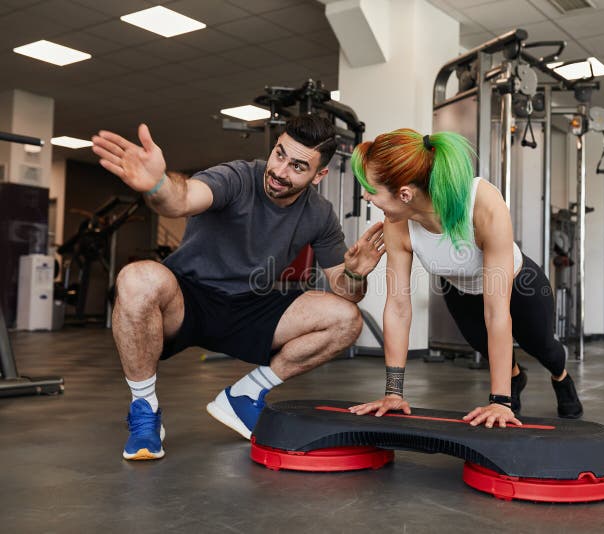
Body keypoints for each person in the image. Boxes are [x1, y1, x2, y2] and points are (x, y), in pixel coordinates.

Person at [91, 115, 385, 460]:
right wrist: (157, 186)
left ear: (319, 176)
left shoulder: (319, 214)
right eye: (279, 155)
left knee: (346, 318)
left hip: (250, 304)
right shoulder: (237, 177)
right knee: (136, 277)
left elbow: (347, 290)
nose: (280, 170)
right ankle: (144, 409)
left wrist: (354, 274)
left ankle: (245, 395)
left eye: (298, 166)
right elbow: (182, 199)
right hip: (188, 298)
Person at [347, 129, 582, 428]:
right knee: (486, 347)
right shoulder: (397, 223)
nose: (366, 196)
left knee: (545, 349)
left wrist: (499, 403)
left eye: (370, 189)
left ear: (404, 193)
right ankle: (514, 379)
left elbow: (497, 311)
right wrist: (393, 393)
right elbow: (397, 306)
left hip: (521, 284)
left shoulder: (482, 202)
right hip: (460, 290)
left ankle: (561, 379)